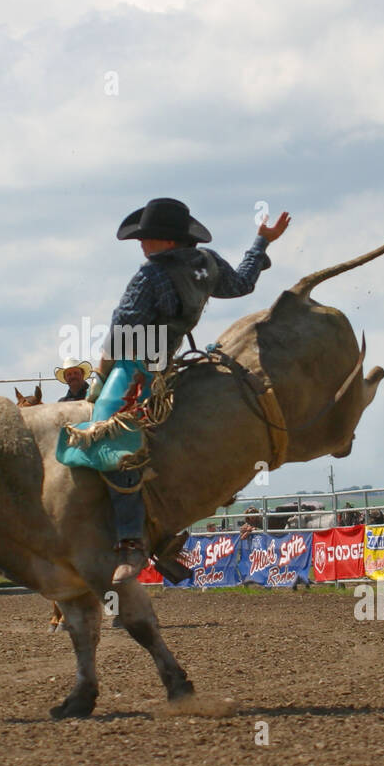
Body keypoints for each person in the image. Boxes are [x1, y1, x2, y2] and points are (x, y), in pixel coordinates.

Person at [57, 197, 290, 583]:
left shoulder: (150, 276)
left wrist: (98, 380)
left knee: (110, 442)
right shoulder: (207, 264)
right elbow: (243, 284)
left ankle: (131, 542)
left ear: (165, 241)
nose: (141, 243)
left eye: (146, 237)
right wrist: (261, 242)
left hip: (135, 370)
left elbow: (120, 334)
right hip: (165, 368)